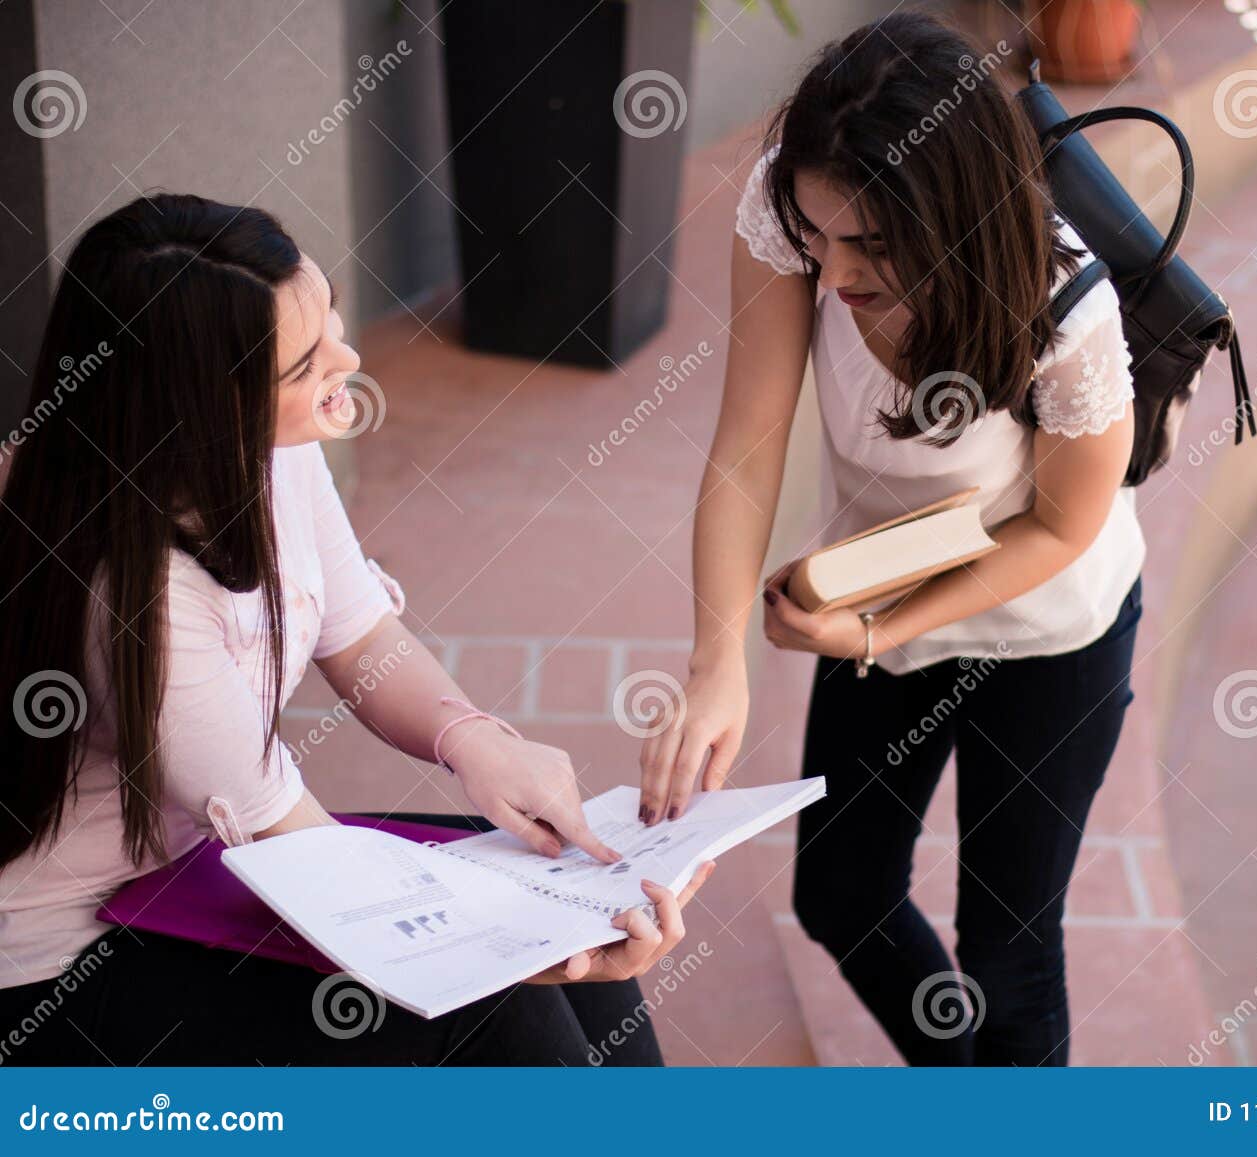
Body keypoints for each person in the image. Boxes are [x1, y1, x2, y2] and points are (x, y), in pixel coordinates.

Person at [0, 194, 710, 1065]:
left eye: (330, 316)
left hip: (194, 868)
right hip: (69, 961)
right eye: (305, 364)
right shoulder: (135, 601)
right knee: (499, 1011)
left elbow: (358, 635)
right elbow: (327, 877)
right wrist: (537, 955)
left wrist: (474, 740)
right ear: (206, 408)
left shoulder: (266, 451)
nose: (350, 355)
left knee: (575, 914)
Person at [637, 12, 1143, 1065]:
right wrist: (714, 659)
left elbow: (1060, 524)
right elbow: (746, 446)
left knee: (1007, 948)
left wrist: (872, 631)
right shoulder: (799, 213)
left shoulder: (1068, 313)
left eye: (867, 245)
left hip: (1052, 623)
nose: (830, 272)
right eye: (818, 238)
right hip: (891, 576)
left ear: (953, 214)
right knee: (840, 892)